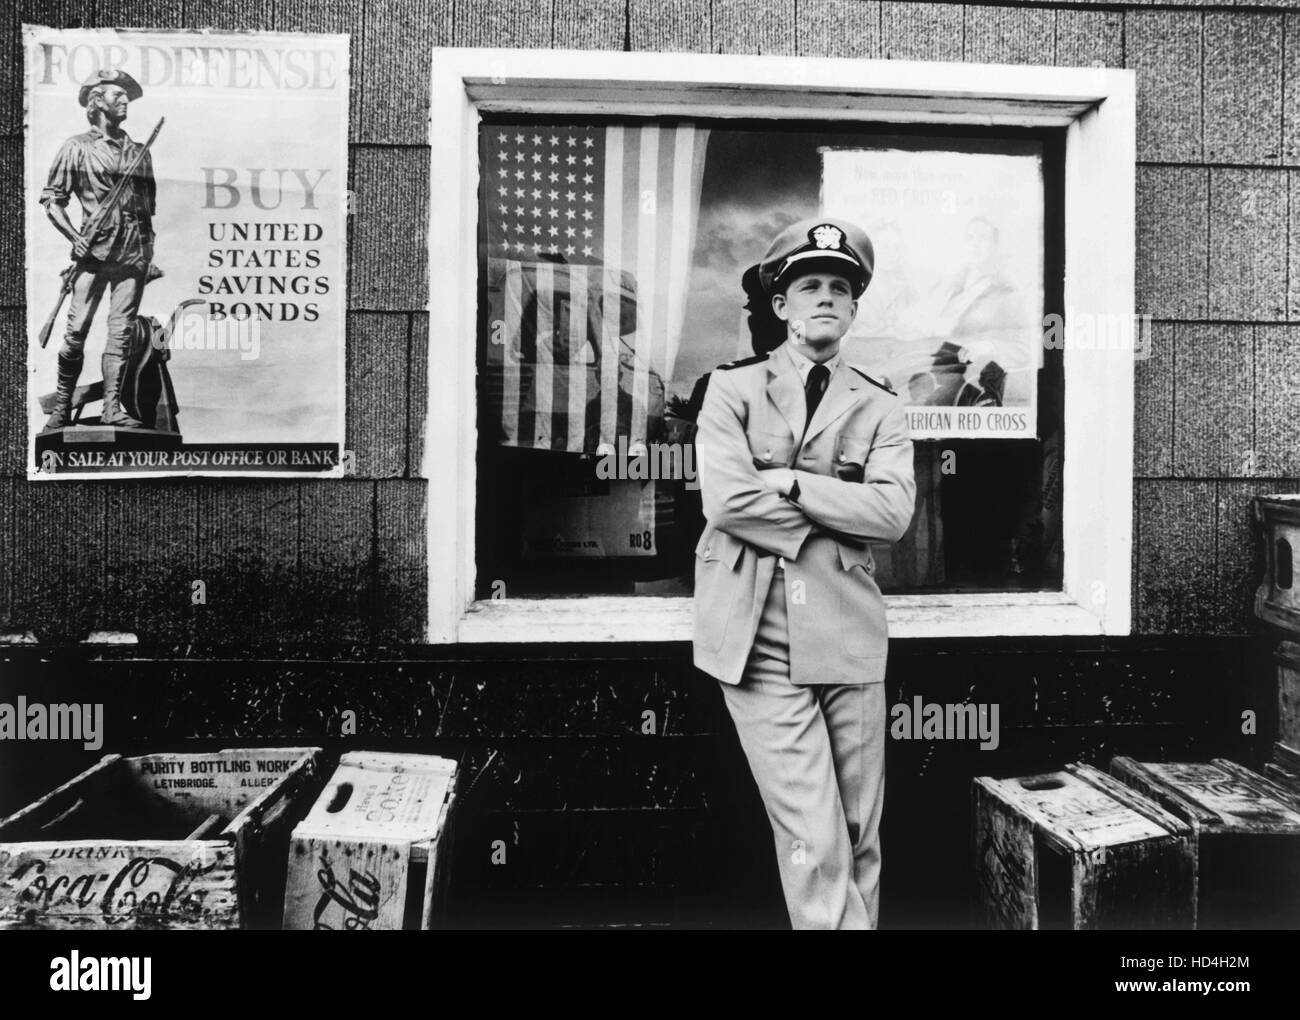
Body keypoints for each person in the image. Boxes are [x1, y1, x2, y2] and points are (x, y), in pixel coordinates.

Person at [692, 217, 916, 929]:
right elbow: (727, 501)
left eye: (840, 288)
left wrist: (790, 483)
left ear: (854, 309)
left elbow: (891, 515)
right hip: (757, 633)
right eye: (809, 285)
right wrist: (831, 516)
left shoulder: (881, 402)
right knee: (813, 841)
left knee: (857, 833)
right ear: (781, 305)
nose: (825, 297)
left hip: (848, 629)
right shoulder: (731, 390)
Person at [40, 69, 157, 430]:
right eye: (116, 95)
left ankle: (112, 408)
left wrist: (148, 257)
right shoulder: (76, 147)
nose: (124, 101)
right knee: (76, 333)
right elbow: (52, 200)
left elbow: (147, 208)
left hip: (133, 255)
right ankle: (62, 408)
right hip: (93, 254)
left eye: (126, 96)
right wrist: (73, 236)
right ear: (96, 102)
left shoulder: (139, 152)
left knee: (121, 333)